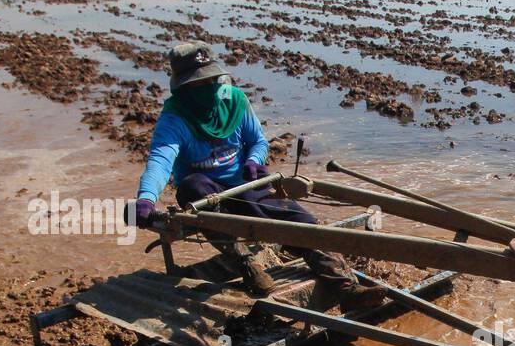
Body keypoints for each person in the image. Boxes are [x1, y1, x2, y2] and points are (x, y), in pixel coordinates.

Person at [131, 41, 373, 306]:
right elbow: (160, 160)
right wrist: (146, 199)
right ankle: (247, 265)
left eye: (210, 81)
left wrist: (254, 161)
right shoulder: (175, 118)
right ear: (183, 87)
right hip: (207, 195)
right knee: (192, 185)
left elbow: (258, 141)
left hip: (244, 184)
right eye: (197, 84)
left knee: (301, 221)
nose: (206, 88)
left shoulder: (234, 100)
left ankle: (346, 287)